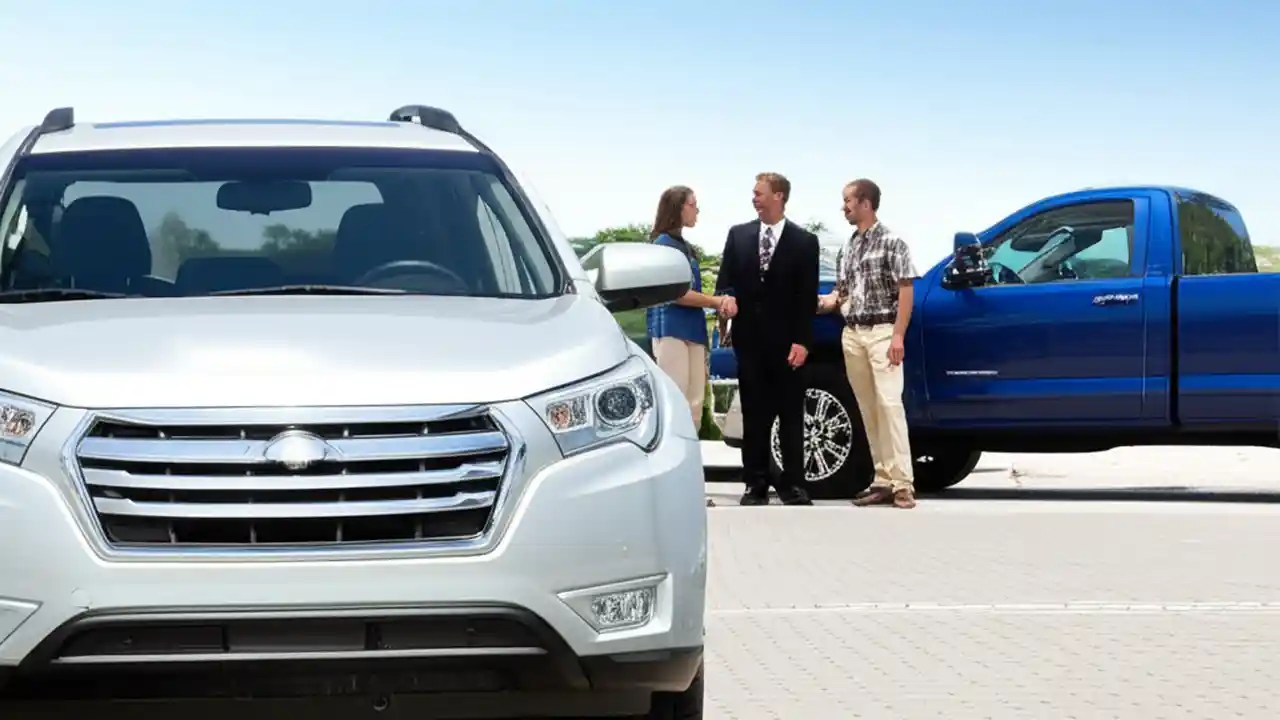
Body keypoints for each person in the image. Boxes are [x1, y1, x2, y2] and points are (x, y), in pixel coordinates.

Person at [714, 172, 818, 506]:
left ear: (779, 196)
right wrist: (726, 300)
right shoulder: (739, 235)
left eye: (760, 193)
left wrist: (802, 341)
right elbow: (725, 283)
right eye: (753, 194)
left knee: (790, 416)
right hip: (749, 343)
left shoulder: (804, 242)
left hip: (788, 344)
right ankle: (755, 484)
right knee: (755, 416)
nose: (754, 199)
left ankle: (794, 485)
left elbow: (806, 297)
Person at [818, 179, 919, 509]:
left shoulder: (893, 242)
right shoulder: (847, 248)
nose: (843, 206)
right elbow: (843, 292)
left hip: (883, 333)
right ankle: (882, 480)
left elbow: (906, 290)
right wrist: (823, 301)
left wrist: (898, 335)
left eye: (847, 200)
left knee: (890, 405)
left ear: (866, 203)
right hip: (853, 335)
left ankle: (903, 483)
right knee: (868, 408)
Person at [646, 185, 734, 428]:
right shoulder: (663, 245)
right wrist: (715, 301)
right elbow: (676, 294)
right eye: (693, 205)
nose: (697, 211)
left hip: (693, 330)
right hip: (670, 330)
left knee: (695, 401)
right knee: (676, 399)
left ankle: (691, 455)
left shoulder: (685, 247)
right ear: (678, 208)